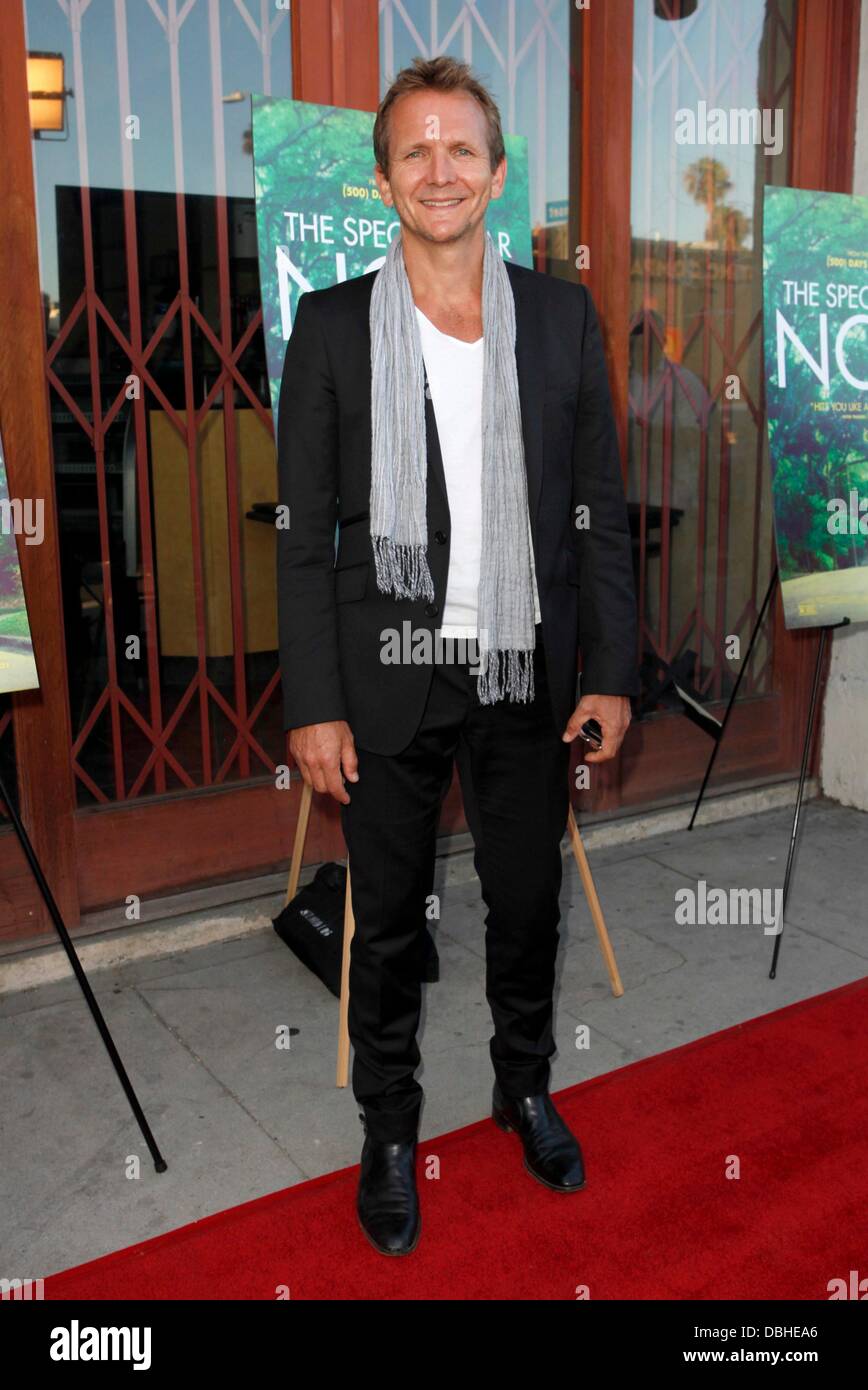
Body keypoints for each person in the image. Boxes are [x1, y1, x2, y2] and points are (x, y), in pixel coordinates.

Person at [277, 55, 638, 1257]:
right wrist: (314, 702)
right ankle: (389, 1128)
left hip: (523, 667)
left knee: (526, 905)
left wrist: (611, 671)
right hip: (384, 670)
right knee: (387, 922)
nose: (441, 169)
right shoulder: (329, 329)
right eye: (416, 150)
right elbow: (305, 536)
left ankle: (522, 1085)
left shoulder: (560, 317)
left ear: (493, 172)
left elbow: (597, 503)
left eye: (462, 148)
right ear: (384, 180)